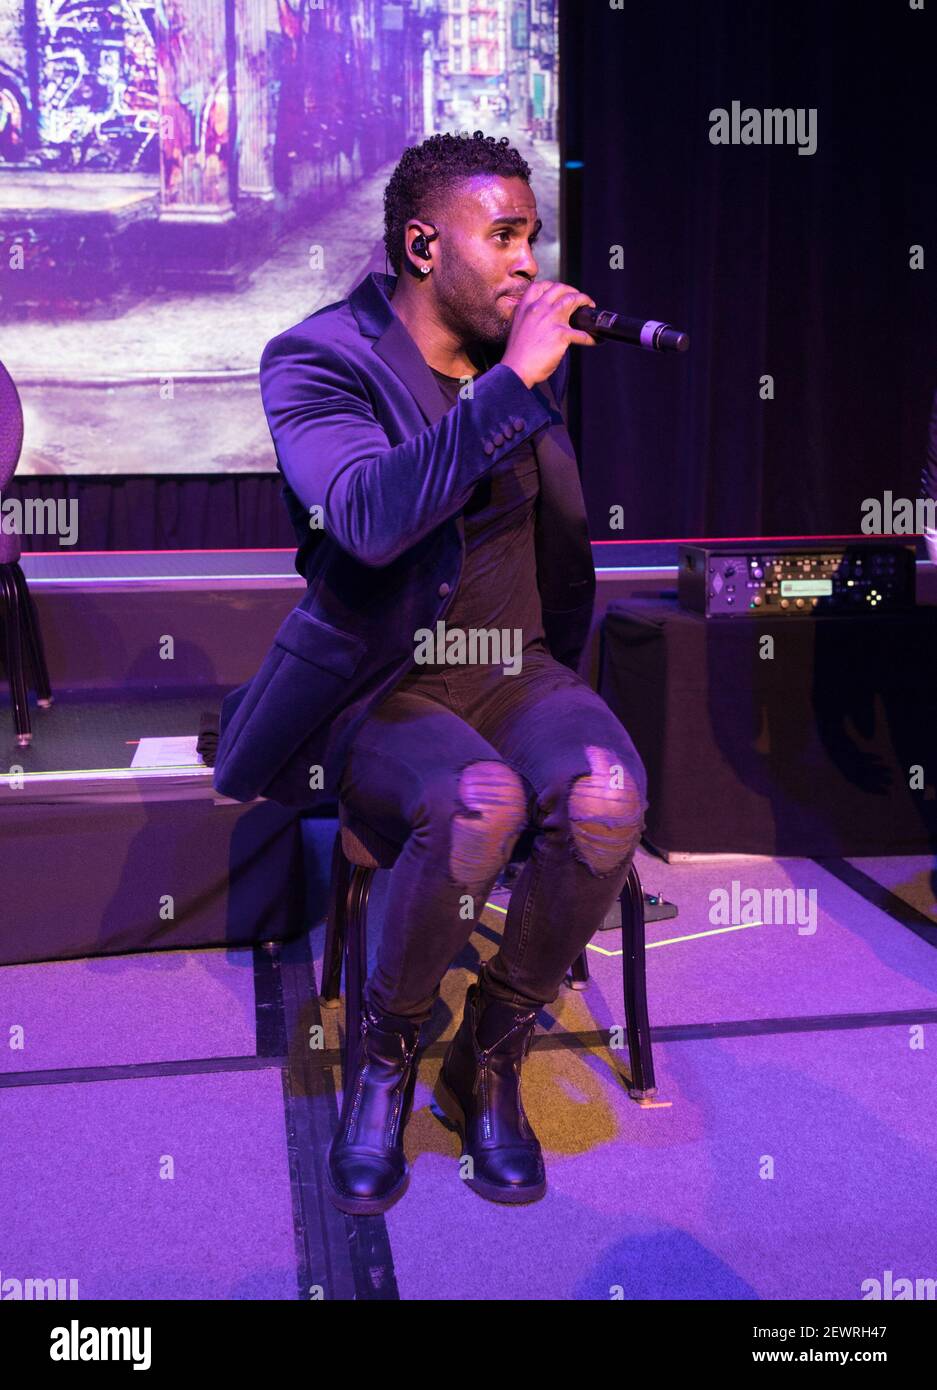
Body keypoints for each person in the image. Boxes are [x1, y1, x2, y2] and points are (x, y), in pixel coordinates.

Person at [213, 131, 648, 1213]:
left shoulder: (505, 364)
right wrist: (510, 387)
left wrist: (506, 382)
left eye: (532, 238)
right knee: (477, 805)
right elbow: (362, 520)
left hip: (514, 667)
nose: (526, 262)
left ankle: (489, 1054)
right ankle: (384, 1060)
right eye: (501, 236)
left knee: (604, 793)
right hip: (382, 686)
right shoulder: (316, 360)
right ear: (420, 245)